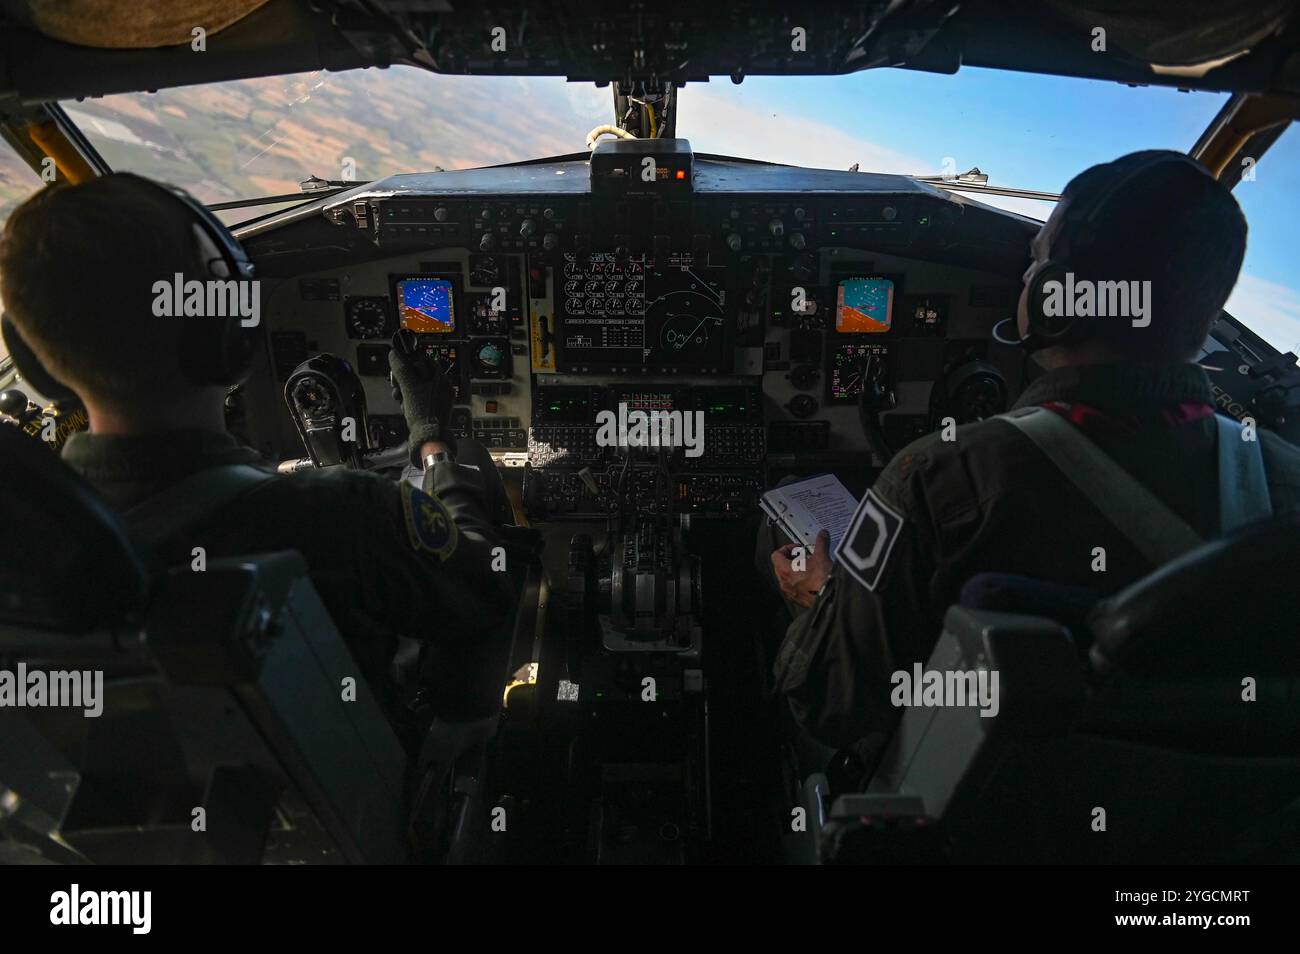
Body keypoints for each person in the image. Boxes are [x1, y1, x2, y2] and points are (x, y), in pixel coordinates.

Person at [759, 150, 1300, 755]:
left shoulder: (939, 475)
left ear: (1057, 296)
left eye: (1037, 262)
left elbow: (831, 702)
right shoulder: (1285, 482)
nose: (1025, 276)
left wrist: (818, 599)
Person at [0, 173, 516, 734]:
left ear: (31, 363)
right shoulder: (341, 513)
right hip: (386, 797)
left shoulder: (25, 549)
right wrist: (434, 442)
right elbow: (483, 585)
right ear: (234, 328)